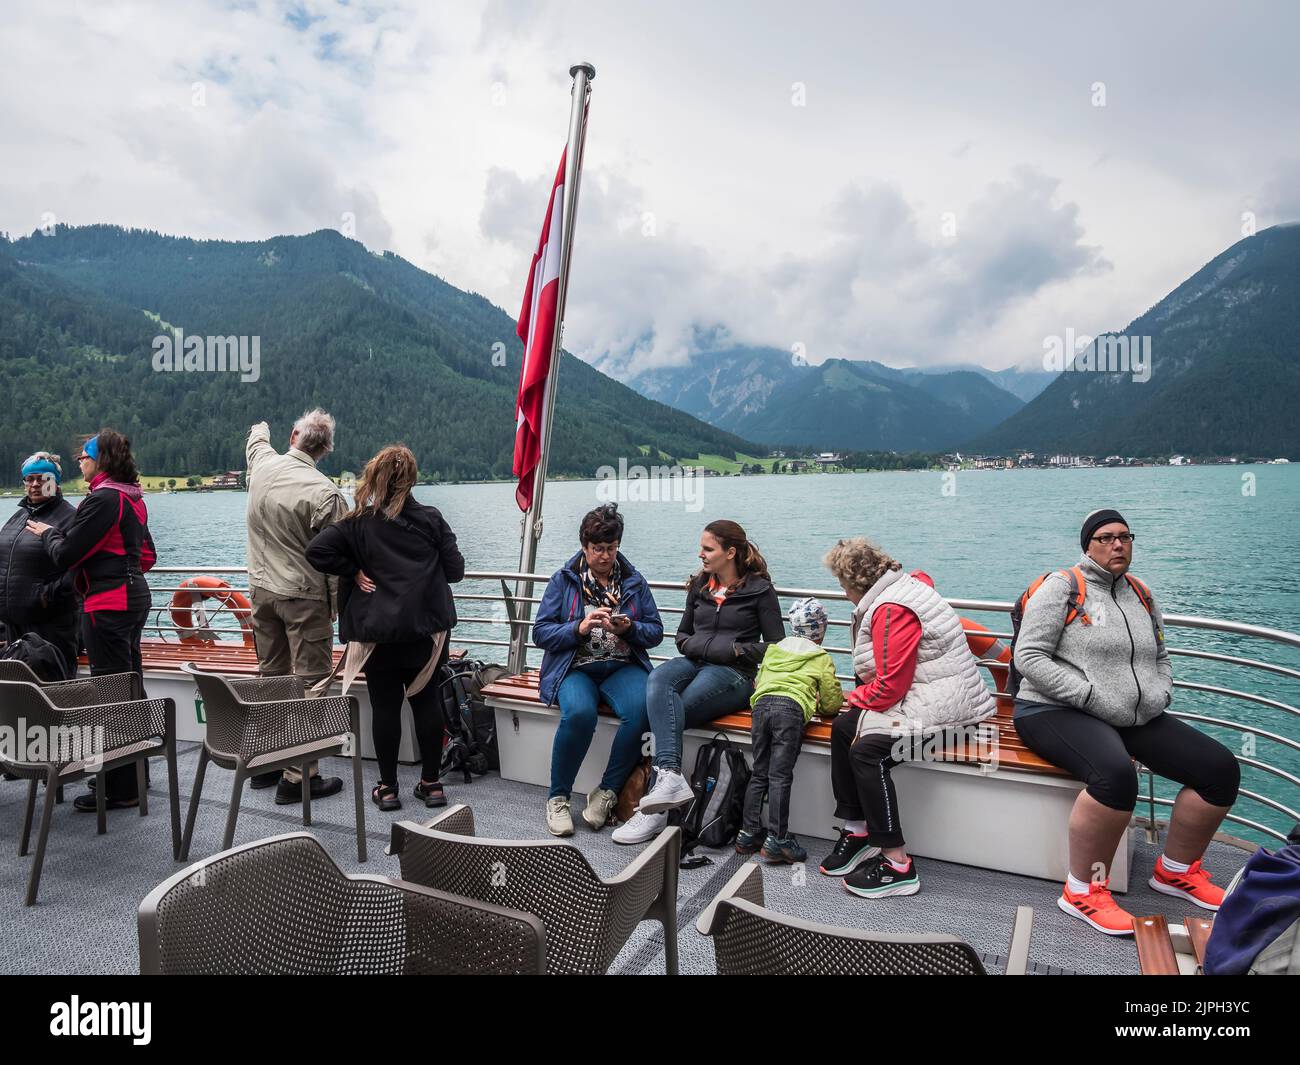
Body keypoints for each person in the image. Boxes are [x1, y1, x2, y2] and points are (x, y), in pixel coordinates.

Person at [1013, 508, 1239, 934]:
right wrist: (1086, 694)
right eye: (1105, 538)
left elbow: (1161, 656)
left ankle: (1175, 871)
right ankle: (1081, 890)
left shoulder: (1141, 593)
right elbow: (1029, 657)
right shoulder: (1063, 587)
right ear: (1087, 546)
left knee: (1219, 769)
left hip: (1131, 713)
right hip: (1052, 709)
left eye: (1125, 536)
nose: (1117, 544)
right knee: (1115, 775)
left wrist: (1162, 692)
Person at [819, 537, 996, 900]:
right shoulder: (905, 587)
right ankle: (858, 831)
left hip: (955, 720)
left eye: (842, 586)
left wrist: (854, 697)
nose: (843, 593)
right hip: (932, 701)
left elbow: (889, 689)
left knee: (869, 753)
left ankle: (896, 862)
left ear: (854, 583)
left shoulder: (892, 609)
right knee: (842, 729)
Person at [306, 444, 464, 812]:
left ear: (375, 478)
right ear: (411, 480)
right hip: (427, 630)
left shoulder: (358, 523)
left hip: (378, 635)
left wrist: (353, 570)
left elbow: (316, 551)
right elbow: (455, 571)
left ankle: (388, 788)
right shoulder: (432, 518)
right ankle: (431, 784)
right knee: (426, 702)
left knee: (385, 708)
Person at [616, 520, 784, 845]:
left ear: (730, 552)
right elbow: (682, 636)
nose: (701, 554)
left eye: (708, 549)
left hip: (735, 674)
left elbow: (776, 645)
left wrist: (734, 650)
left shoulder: (760, 589)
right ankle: (670, 780)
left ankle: (656, 810)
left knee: (673, 709)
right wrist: (701, 647)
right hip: (695, 661)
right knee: (658, 679)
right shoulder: (700, 585)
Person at [25, 431, 157, 810]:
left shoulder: (103, 498)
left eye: (84, 456)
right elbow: (148, 555)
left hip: (108, 603)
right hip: (134, 596)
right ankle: (136, 776)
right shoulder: (133, 497)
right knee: (130, 687)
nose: (79, 462)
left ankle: (120, 788)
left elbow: (66, 554)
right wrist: (121, 565)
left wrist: (50, 534)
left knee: (110, 696)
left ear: (100, 460)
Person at [532, 503, 664, 837]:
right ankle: (558, 797)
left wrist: (628, 628)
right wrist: (578, 627)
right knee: (578, 714)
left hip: (621, 665)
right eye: (598, 549)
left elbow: (656, 632)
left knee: (643, 708)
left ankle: (606, 792)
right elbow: (541, 632)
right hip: (574, 667)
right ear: (584, 546)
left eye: (611, 548)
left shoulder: (634, 581)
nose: (605, 556)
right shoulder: (563, 581)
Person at [244, 410, 348, 805]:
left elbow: (255, 441)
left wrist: (261, 426)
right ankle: (298, 776)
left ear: (294, 437)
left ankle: (267, 763)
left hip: (260, 590)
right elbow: (336, 562)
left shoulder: (262, 465)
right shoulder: (325, 493)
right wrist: (336, 607)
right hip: (303, 596)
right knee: (311, 684)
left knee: (271, 678)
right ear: (325, 451)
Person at [737, 597, 843, 864]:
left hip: (761, 708)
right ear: (820, 630)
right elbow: (831, 702)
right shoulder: (820, 656)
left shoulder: (775, 648)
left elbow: (760, 680)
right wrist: (821, 705)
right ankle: (778, 838)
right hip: (790, 711)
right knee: (780, 776)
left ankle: (748, 833)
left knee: (759, 772)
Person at [0, 452, 80, 677]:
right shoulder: (18, 517)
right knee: (19, 696)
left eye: (44, 478)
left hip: (51, 625)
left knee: (52, 689)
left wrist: (46, 595)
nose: (36, 484)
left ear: (55, 482)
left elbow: (78, 567)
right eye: (30, 479)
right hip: (14, 625)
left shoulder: (70, 518)